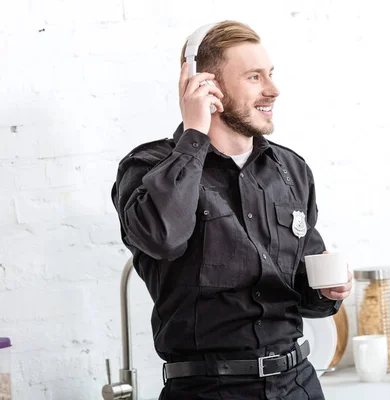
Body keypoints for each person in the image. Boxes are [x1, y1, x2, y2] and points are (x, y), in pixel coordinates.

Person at [111, 20, 352, 399]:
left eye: (270, 75)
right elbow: (163, 237)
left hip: (298, 385)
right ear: (207, 86)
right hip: (208, 390)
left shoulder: (291, 170)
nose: (273, 90)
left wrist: (328, 292)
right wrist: (194, 132)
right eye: (255, 77)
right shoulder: (147, 169)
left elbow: (306, 295)